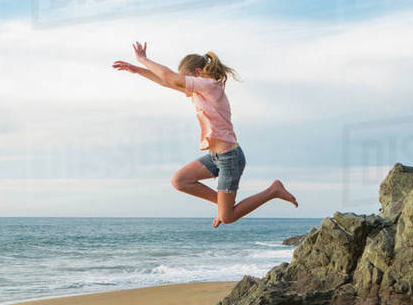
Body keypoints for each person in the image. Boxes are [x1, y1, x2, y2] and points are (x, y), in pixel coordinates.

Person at [112, 42, 297, 227]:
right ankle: (223, 205)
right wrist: (138, 70)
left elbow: (169, 77)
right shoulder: (198, 92)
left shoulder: (211, 86)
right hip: (216, 156)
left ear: (199, 72)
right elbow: (167, 81)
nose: (182, 83)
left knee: (227, 217)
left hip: (230, 157)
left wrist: (144, 59)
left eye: (184, 78)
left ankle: (273, 191)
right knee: (180, 180)